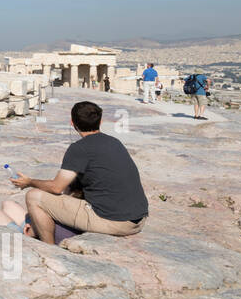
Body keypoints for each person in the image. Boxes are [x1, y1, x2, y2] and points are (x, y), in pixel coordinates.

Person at [10, 101, 148, 243]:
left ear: (72, 122)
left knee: (33, 196)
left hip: (114, 221)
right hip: (138, 219)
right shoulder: (114, 142)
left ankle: (48, 248)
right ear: (100, 121)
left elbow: (57, 187)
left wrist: (29, 182)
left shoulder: (79, 148)